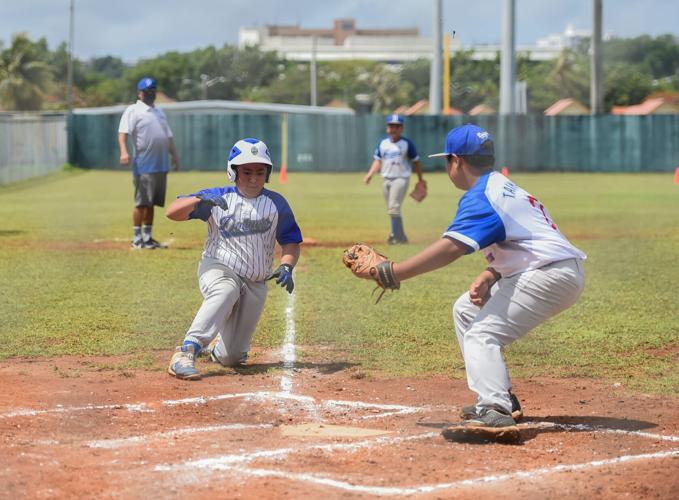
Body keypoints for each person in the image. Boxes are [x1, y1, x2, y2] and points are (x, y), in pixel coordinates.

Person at [372, 124, 586, 439]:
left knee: (481, 335)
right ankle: (500, 397)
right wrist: (491, 273)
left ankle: (495, 412)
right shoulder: (502, 185)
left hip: (550, 274)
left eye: (447, 160)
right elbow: (526, 240)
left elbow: (451, 248)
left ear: (456, 160)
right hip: (554, 269)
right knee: (466, 310)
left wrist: (394, 272)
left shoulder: (482, 195)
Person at [165, 138, 302, 380]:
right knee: (226, 288)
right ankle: (186, 351)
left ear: (268, 173)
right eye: (246, 171)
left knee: (232, 358)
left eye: (260, 172)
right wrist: (199, 200)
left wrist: (287, 266)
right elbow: (172, 212)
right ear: (233, 171)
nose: (253, 178)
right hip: (218, 267)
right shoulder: (217, 198)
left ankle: (218, 348)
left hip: (255, 281)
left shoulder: (276, 204)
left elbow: (290, 240)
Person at [118, 77, 180, 249]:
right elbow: (123, 133)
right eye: (147, 92)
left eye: (153, 92)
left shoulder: (159, 112)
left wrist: (174, 155)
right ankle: (137, 239)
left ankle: (147, 237)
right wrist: (124, 152)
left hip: (161, 164)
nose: (150, 94)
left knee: (152, 202)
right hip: (144, 165)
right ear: (140, 93)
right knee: (142, 202)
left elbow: (168, 136)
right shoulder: (133, 110)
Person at [364, 114, 424, 244]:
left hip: (401, 179)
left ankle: (394, 235)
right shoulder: (383, 143)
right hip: (386, 179)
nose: (394, 129)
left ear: (401, 128)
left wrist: (420, 180)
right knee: (393, 210)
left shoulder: (406, 144)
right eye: (391, 126)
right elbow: (377, 160)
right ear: (387, 128)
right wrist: (370, 174)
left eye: (397, 126)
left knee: (394, 207)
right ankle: (401, 237)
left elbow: (416, 161)